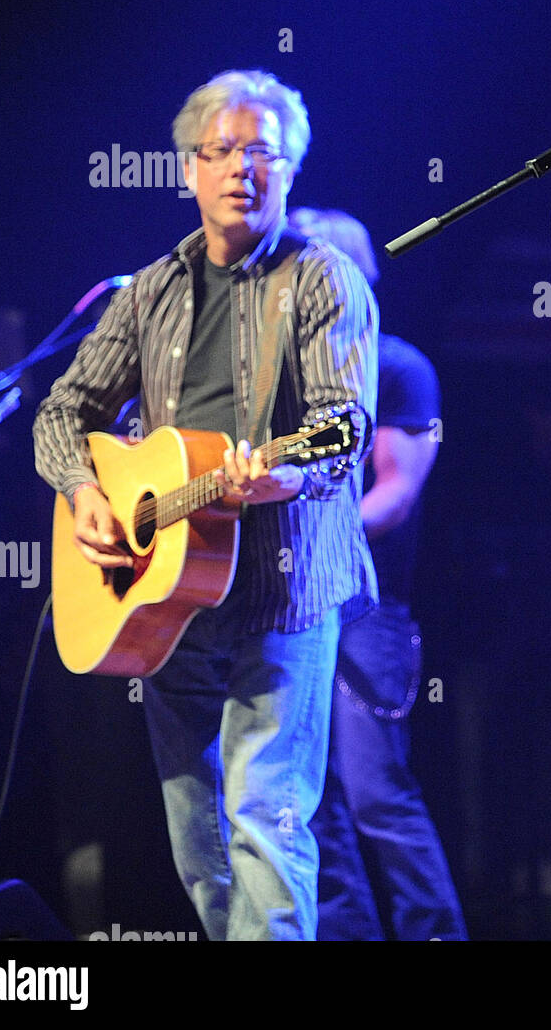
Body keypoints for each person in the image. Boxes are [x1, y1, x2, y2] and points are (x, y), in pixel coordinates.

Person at [34, 70, 377, 940]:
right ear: (189, 169)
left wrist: (289, 473)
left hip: (282, 590)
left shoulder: (323, 279)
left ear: (291, 170)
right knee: (200, 840)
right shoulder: (149, 289)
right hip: (168, 596)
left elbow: (344, 426)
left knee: (268, 816)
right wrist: (83, 494)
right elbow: (62, 412)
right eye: (219, 151)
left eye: (261, 151)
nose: (240, 169)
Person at [288, 206, 467, 941]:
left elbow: (393, 495)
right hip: (290, 605)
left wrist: (288, 524)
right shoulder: (283, 378)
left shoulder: (395, 366)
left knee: (374, 795)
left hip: (367, 610)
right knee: (309, 801)